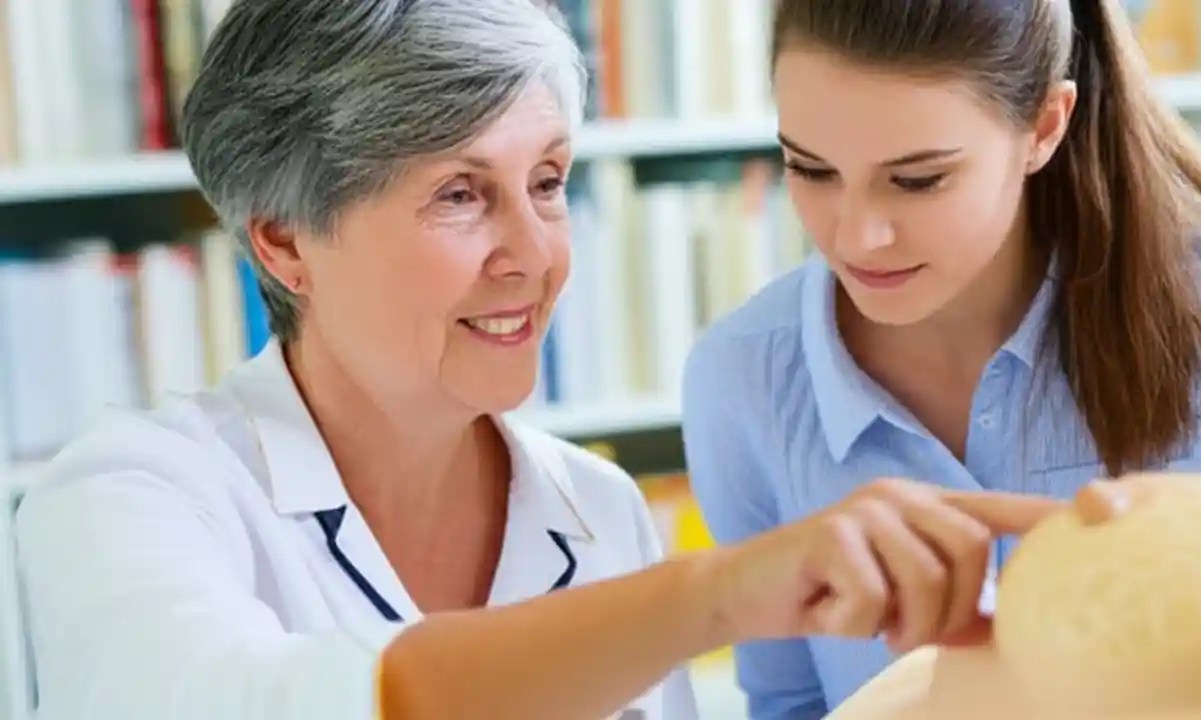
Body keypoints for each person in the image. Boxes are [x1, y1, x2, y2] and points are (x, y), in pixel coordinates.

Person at [11, 2, 1062, 719]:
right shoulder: (128, 496)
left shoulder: (595, 509)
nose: (533, 255)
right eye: (460, 195)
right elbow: (266, 702)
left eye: (549, 182)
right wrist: (721, 594)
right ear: (283, 242)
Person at [681, 0, 1201, 717]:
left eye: (917, 179)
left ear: (1045, 127)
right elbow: (793, 706)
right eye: (811, 170)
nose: (859, 235)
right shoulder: (741, 380)